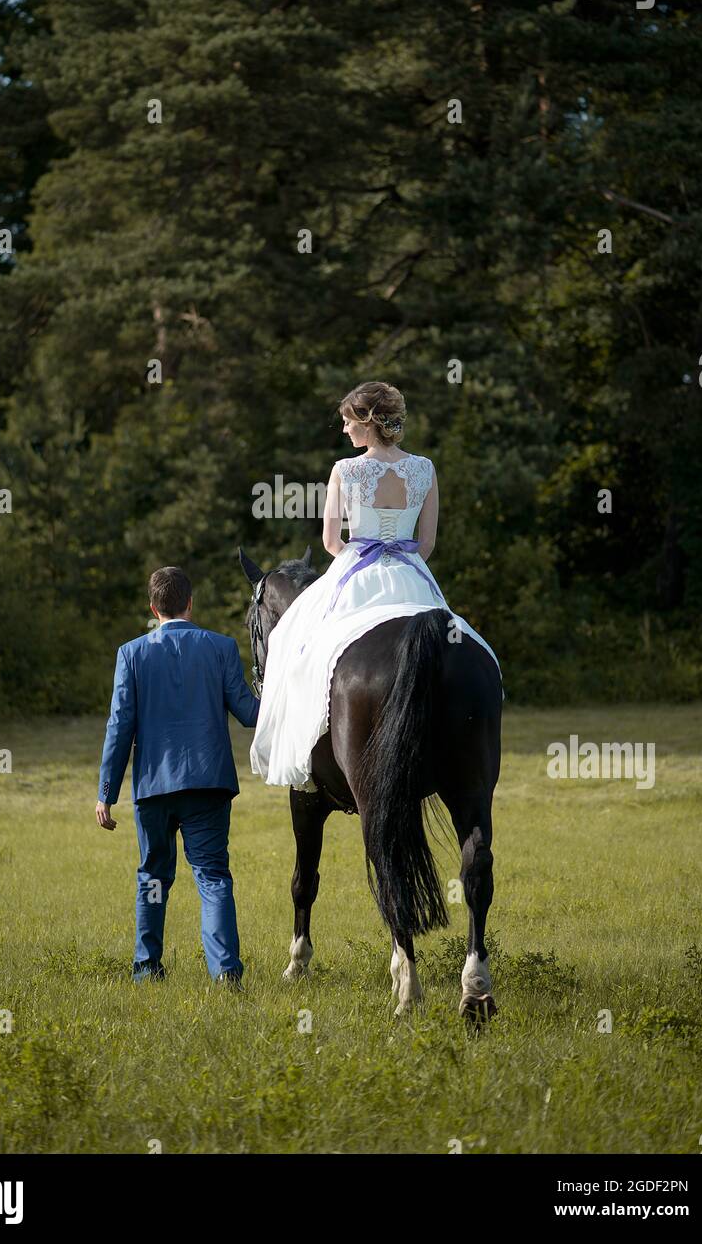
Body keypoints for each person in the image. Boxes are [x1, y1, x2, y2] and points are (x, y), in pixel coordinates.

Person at [250, 380, 500, 791]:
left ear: (367, 422)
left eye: (348, 421)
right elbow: (428, 543)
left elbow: (331, 543)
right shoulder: (424, 468)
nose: (345, 430)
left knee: (293, 646)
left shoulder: (345, 470)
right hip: (412, 573)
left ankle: (309, 763)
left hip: (356, 570)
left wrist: (361, 553)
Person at [96, 566, 259, 986]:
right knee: (212, 876)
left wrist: (106, 793)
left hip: (153, 787)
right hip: (209, 783)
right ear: (190, 603)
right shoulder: (221, 648)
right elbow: (249, 713)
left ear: (154, 608)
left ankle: (147, 968)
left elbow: (119, 726)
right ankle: (225, 973)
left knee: (153, 875)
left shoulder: (131, 653)